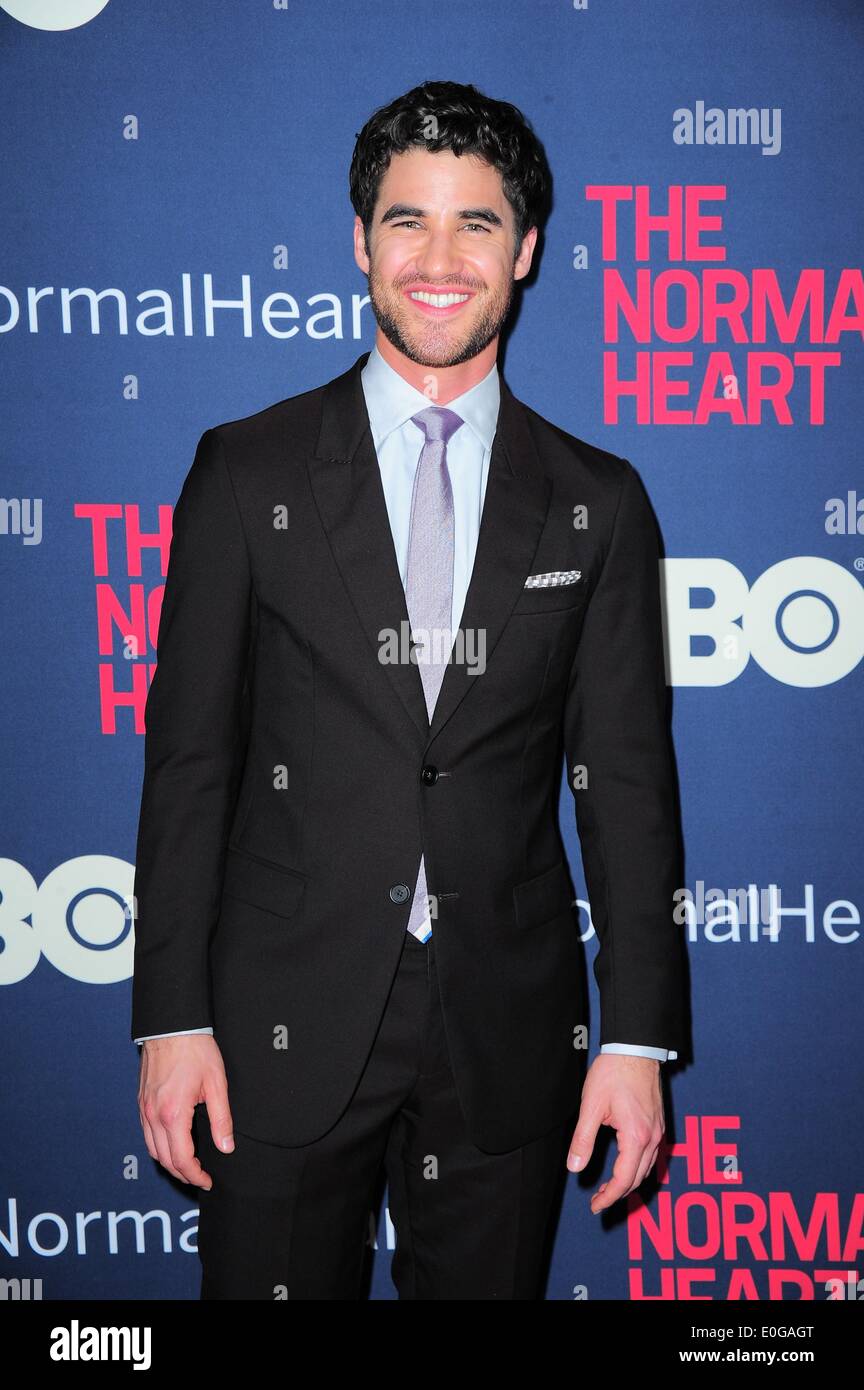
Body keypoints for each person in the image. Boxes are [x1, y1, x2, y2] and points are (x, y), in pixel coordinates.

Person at [131, 79, 687, 1300]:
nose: (439, 260)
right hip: (277, 1020)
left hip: (505, 1028)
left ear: (526, 250)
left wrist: (636, 1036)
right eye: (406, 221)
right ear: (358, 241)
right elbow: (188, 766)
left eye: (476, 224)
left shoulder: (598, 499)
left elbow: (630, 789)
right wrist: (169, 1021)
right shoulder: (246, 469)